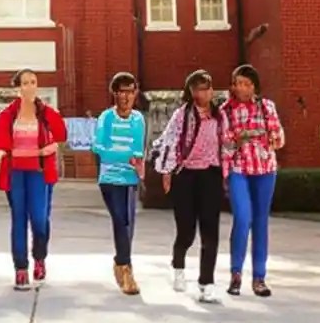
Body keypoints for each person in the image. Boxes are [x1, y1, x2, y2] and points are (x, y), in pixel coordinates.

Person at [152, 69, 228, 304]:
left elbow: (227, 145)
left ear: (211, 90)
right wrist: (166, 172)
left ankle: (206, 282)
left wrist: (227, 173)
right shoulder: (182, 115)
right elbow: (169, 142)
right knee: (186, 231)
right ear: (191, 91)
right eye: (197, 88)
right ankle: (178, 266)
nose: (202, 93)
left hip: (210, 176)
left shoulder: (219, 116)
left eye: (206, 88)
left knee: (210, 232)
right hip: (185, 177)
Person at [0, 68, 67, 291]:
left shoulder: (47, 113)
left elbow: (61, 136)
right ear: (18, 88)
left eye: (33, 82)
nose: (30, 87)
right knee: (18, 220)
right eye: (25, 83)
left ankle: (40, 258)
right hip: (16, 173)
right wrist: (38, 152)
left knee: (39, 220)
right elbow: (5, 150)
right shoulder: (7, 116)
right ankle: (21, 269)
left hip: (40, 174)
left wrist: (51, 148)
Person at [224, 64, 285, 297]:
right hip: (239, 169)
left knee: (260, 222)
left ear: (254, 86)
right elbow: (227, 142)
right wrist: (246, 137)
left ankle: (259, 278)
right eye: (238, 83)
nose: (242, 88)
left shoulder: (266, 107)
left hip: (265, 169)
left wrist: (269, 136)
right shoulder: (227, 110)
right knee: (243, 218)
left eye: (247, 84)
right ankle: (236, 274)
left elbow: (278, 138)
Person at [92, 72, 146, 295]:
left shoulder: (138, 119)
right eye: (121, 92)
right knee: (119, 219)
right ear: (114, 94)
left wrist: (129, 157)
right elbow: (99, 149)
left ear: (135, 94)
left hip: (130, 178)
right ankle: (125, 269)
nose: (125, 97)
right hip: (109, 178)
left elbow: (137, 149)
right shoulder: (106, 117)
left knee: (127, 225)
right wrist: (125, 157)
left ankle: (123, 264)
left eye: (129, 92)